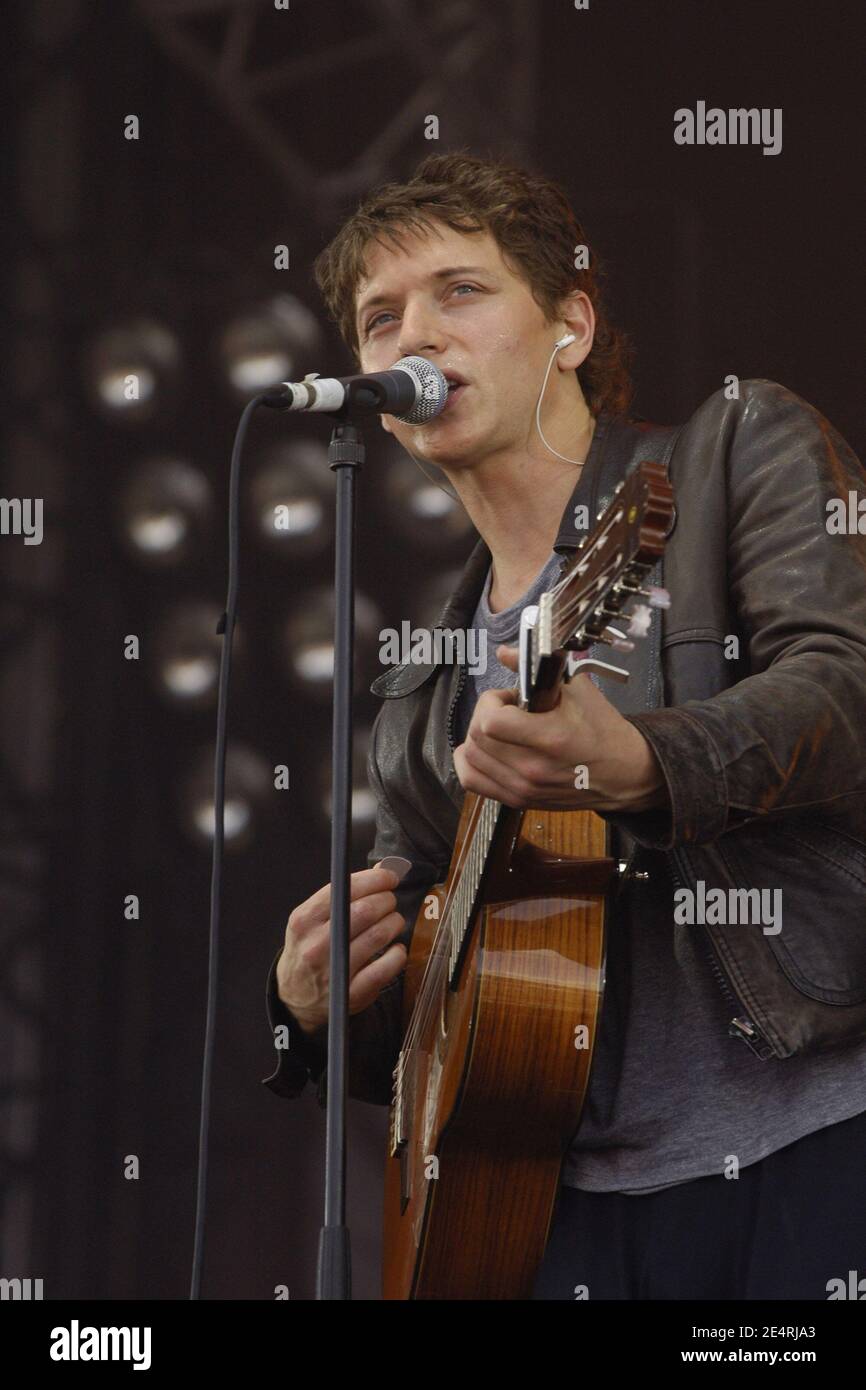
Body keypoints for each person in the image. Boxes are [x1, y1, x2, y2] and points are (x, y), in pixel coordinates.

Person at [262, 151, 866, 1300]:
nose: (413, 337)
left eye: (460, 291)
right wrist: (310, 1008)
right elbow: (447, 1016)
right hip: (553, 1212)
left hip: (812, 1139)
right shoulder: (418, 698)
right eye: (378, 317)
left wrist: (640, 762)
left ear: (570, 328)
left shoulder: (735, 454)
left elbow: (844, 687)